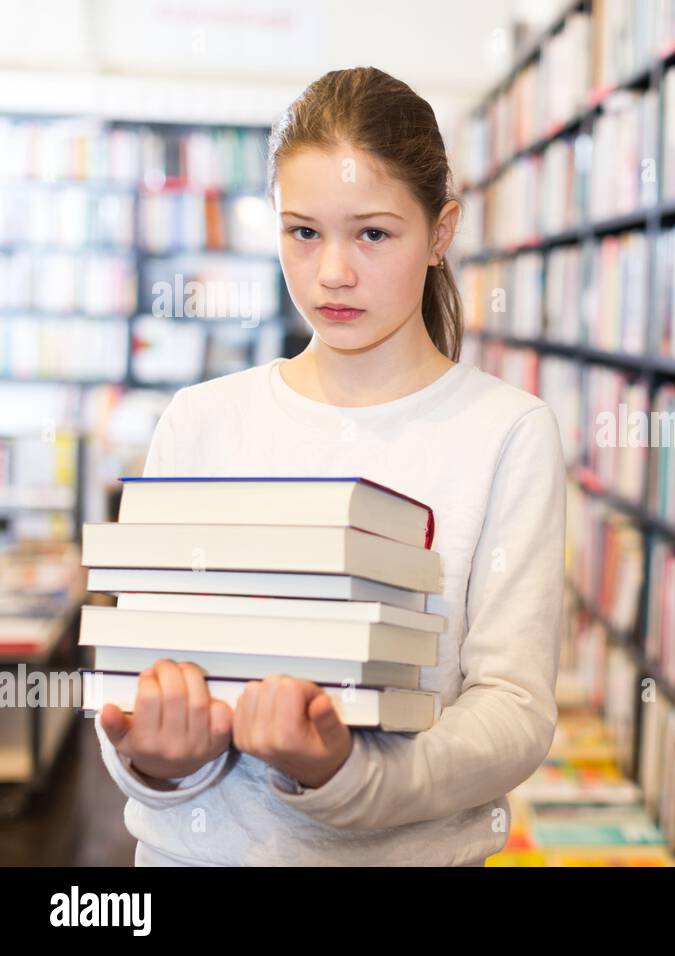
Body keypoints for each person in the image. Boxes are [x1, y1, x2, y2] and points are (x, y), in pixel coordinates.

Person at [94, 66, 565, 866]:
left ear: (441, 231)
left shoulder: (507, 432)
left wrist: (346, 776)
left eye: (373, 234)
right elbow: (140, 679)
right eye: (302, 232)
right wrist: (153, 758)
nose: (333, 273)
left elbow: (513, 711)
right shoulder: (200, 421)